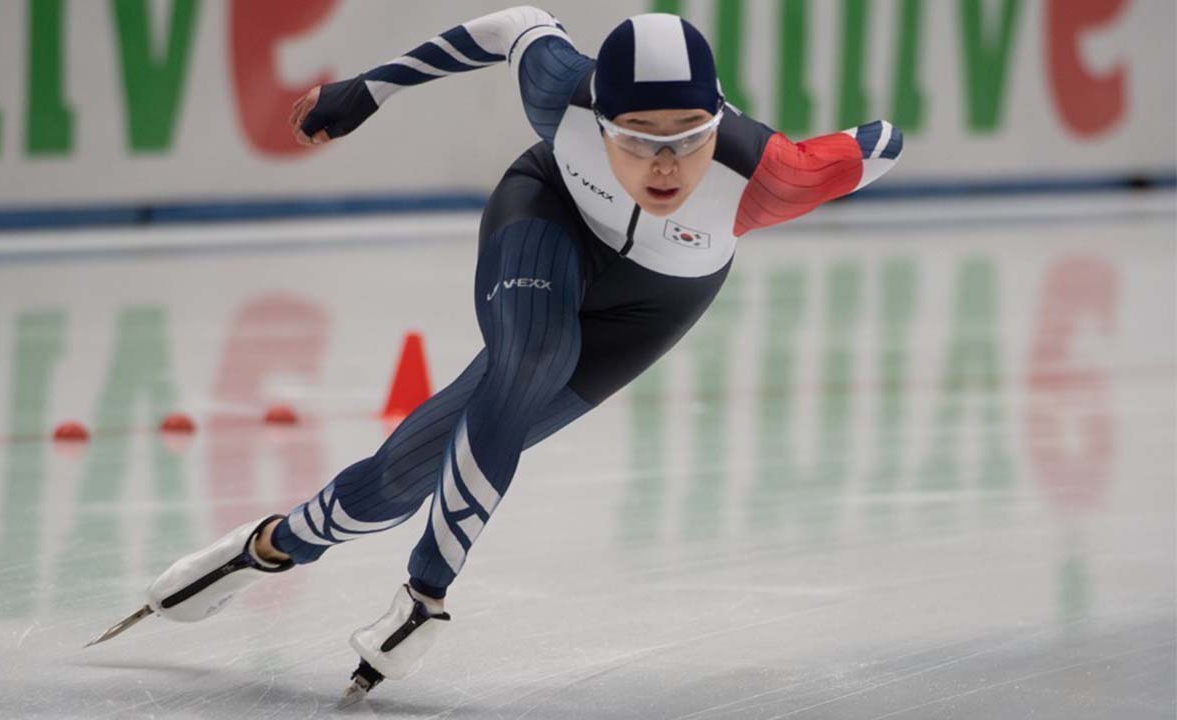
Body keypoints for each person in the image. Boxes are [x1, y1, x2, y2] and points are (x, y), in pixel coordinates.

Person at [89, 7, 904, 704]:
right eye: (635, 138)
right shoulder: (562, 94)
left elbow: (883, 141)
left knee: (395, 483)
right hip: (547, 219)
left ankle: (267, 547)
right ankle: (426, 595)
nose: (664, 165)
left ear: (716, 121)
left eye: (687, 138)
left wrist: (875, 139)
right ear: (598, 118)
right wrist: (369, 88)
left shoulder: (772, 173)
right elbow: (516, 25)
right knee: (530, 360)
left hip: (655, 305)